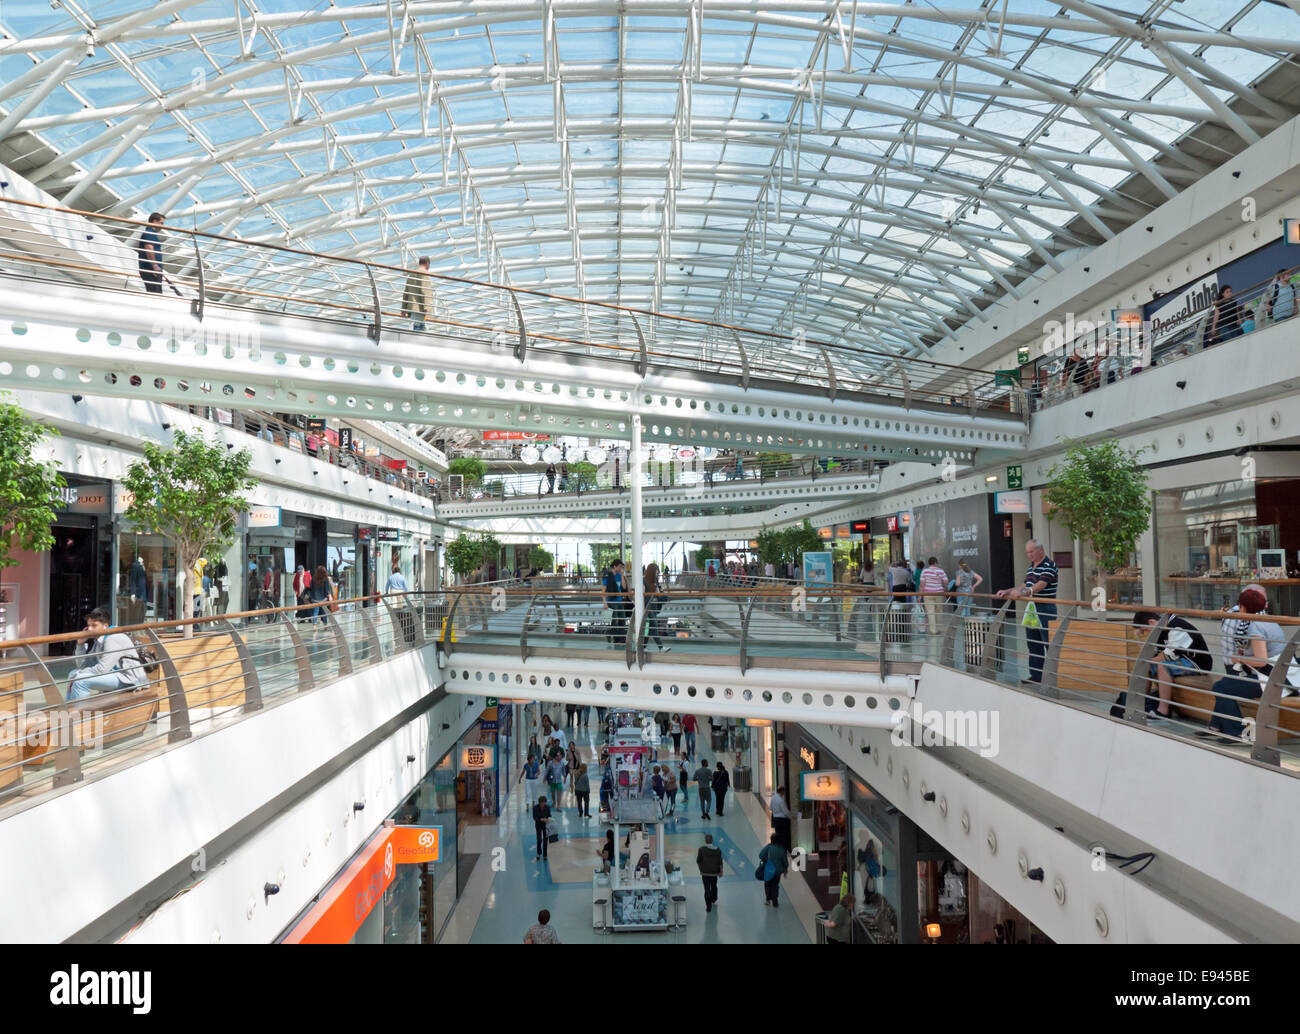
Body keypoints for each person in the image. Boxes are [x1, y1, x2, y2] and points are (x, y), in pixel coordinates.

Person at [1205, 588, 1286, 741]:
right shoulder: (1267, 620)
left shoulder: (1255, 626)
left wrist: (1238, 659)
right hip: (1280, 677)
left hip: (1269, 680)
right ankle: (1216, 726)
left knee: (1221, 687)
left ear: (1242, 607)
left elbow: (1262, 660)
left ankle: (1237, 732)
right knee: (1225, 684)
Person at [1112, 610, 1212, 720]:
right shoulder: (1160, 629)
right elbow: (1154, 654)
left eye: (1145, 630)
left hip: (1197, 663)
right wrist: (1138, 638)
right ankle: (1141, 701)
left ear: (1151, 622)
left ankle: (1162, 711)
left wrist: (1148, 660)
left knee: (1163, 666)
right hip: (1179, 660)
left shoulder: (1176, 627)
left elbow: (1167, 656)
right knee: (1147, 665)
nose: (1147, 634)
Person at [995, 539, 1058, 686]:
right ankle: (1037, 676)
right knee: (1033, 643)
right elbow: (1026, 584)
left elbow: (1040, 585)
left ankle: (1052, 678)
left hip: (1045, 608)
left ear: (1040, 550)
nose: (1029, 555)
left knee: (1047, 643)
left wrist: (1025, 592)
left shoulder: (1049, 565)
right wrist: (1009, 591)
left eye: (1031, 551)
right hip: (1032, 609)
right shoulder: (1032, 567)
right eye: (1027, 552)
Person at [67, 608, 147, 700]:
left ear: (105, 626)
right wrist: (80, 644)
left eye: (94, 625)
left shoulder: (113, 638)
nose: (89, 629)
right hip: (116, 675)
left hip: (129, 679)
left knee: (80, 680)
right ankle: (69, 709)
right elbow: (83, 666)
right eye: (88, 625)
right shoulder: (99, 641)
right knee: (72, 673)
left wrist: (78, 674)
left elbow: (102, 669)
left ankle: (82, 713)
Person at [401, 256, 434, 331]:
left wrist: (403, 309)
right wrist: (427, 307)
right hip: (420, 309)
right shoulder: (424, 274)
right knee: (420, 332)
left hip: (412, 308)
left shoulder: (411, 274)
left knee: (415, 329)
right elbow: (425, 291)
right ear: (427, 263)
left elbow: (406, 292)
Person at [603, 559, 631, 646]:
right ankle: (613, 635)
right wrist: (605, 603)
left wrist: (623, 575)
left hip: (619, 600)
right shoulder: (607, 575)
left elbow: (624, 586)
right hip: (611, 601)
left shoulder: (619, 575)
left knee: (622, 620)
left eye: (622, 567)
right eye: (620, 567)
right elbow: (603, 590)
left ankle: (621, 639)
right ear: (614, 566)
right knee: (614, 621)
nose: (621, 568)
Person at [644, 563, 671, 652]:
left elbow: (658, 594)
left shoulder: (655, 582)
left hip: (654, 607)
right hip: (647, 607)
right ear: (652, 571)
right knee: (654, 626)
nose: (658, 572)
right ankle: (660, 647)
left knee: (650, 628)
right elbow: (641, 595)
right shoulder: (644, 581)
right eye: (656, 570)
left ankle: (643, 647)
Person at [757, 832, 789, 907]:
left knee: (767, 884)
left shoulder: (768, 847)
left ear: (771, 840)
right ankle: (775, 901)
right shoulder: (781, 849)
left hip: (768, 870)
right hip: (777, 872)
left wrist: (766, 859)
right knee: (775, 885)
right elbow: (785, 861)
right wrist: (785, 869)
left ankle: (768, 900)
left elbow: (761, 855)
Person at [136, 212, 165, 293]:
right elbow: (149, 248)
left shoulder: (150, 233)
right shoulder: (150, 233)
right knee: (155, 294)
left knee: (155, 292)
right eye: (161, 223)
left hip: (151, 269)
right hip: (151, 269)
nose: (162, 226)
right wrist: (155, 265)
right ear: (155, 221)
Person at [918, 556, 949, 634]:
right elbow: (946, 582)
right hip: (939, 593)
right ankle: (939, 628)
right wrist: (945, 588)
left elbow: (922, 584)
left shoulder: (924, 571)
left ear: (929, 563)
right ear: (935, 562)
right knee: (939, 611)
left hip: (928, 593)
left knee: (930, 612)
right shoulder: (941, 571)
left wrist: (919, 596)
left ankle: (933, 630)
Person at [697, 834, 724, 913]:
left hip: (705, 873)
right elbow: (720, 862)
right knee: (714, 886)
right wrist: (721, 871)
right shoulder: (718, 850)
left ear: (705, 840)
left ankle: (708, 907)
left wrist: (700, 869)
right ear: (712, 840)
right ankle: (714, 898)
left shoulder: (701, 849)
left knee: (707, 889)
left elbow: (698, 861)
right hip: (714, 873)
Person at [770, 785, 792, 852]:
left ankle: (779, 848)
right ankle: (785, 849)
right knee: (785, 835)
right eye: (784, 791)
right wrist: (791, 817)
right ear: (782, 791)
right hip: (782, 820)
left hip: (775, 819)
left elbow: (770, 808)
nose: (784, 793)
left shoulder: (773, 798)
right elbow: (785, 811)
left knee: (778, 834)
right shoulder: (781, 800)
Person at [532, 796, 552, 861]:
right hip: (538, 825)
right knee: (539, 839)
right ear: (539, 802)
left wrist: (548, 819)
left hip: (546, 826)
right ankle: (538, 853)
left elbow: (549, 815)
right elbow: (534, 817)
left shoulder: (548, 807)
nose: (543, 804)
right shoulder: (535, 808)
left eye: (544, 803)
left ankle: (545, 855)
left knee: (545, 840)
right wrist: (541, 819)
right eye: (542, 803)